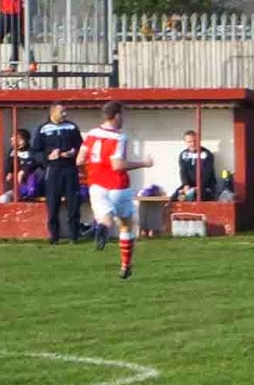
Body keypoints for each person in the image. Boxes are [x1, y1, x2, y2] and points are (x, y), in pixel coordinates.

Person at [81, 101, 154, 278]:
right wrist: (144, 163)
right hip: (117, 185)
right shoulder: (119, 137)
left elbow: (80, 159)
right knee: (125, 224)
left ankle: (102, 228)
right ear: (117, 115)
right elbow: (117, 165)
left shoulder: (91, 134)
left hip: (96, 184)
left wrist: (90, 172)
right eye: (123, 114)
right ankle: (125, 265)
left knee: (106, 218)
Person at [31, 103, 83, 243]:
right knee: (53, 205)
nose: (65, 114)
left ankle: (74, 236)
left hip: (70, 170)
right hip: (53, 171)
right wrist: (48, 156)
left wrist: (74, 152)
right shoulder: (43, 129)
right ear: (52, 112)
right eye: (62, 112)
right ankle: (54, 237)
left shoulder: (72, 127)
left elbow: (81, 146)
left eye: (65, 111)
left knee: (73, 203)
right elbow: (35, 152)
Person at [172, 131, 216, 203]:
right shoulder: (183, 154)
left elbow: (207, 174)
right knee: (175, 198)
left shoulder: (207, 154)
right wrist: (186, 185)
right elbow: (183, 171)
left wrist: (197, 187)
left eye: (195, 141)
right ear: (186, 142)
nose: (193, 144)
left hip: (205, 187)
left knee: (195, 197)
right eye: (190, 142)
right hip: (189, 186)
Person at [7, 128, 42, 201]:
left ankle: (29, 194)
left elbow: (35, 163)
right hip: (19, 180)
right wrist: (9, 172)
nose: (12, 139)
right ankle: (19, 194)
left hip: (31, 177)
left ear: (23, 140)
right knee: (6, 198)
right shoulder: (12, 151)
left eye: (16, 138)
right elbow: (9, 163)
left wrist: (24, 171)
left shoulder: (31, 151)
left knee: (31, 189)